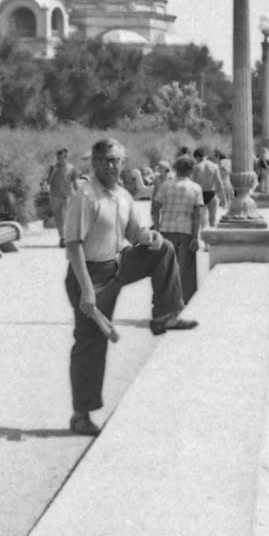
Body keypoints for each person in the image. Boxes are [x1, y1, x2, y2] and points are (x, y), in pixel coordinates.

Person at [63, 138, 197, 437]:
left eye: (116, 160)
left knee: (164, 250)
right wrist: (86, 289)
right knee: (91, 342)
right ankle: (81, 414)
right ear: (95, 163)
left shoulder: (123, 196)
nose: (111, 166)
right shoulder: (86, 196)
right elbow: (73, 245)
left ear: (123, 163)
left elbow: (135, 232)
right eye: (105, 161)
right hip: (89, 274)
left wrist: (150, 238)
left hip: (116, 264)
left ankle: (165, 316)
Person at [151, 154, 205, 304]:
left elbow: (156, 207)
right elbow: (197, 215)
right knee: (186, 269)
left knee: (166, 267)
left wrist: (157, 228)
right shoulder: (195, 188)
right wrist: (195, 237)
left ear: (175, 169)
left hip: (166, 230)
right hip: (186, 231)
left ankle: (166, 301)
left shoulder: (166, 185)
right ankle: (185, 301)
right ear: (191, 170)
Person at [46, 148, 78, 249]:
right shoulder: (53, 168)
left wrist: (78, 194)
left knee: (65, 217)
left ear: (65, 157)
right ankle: (62, 236)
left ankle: (64, 238)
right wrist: (53, 172)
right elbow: (48, 182)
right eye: (58, 157)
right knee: (58, 218)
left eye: (61, 157)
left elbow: (74, 182)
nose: (59, 159)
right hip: (55, 196)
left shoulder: (71, 168)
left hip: (68, 196)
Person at [192, 146, 227, 228]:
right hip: (211, 193)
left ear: (197, 157)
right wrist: (223, 198)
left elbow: (193, 184)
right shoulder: (214, 166)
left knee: (200, 220)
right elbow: (219, 183)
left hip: (200, 194)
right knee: (212, 221)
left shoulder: (196, 167)